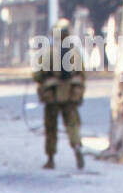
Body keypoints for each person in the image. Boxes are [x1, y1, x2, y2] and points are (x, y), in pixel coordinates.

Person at [32, 18, 86, 170]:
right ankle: (76, 147)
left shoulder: (47, 53)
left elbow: (38, 76)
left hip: (52, 97)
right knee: (72, 125)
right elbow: (82, 75)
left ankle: (50, 159)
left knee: (51, 128)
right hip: (70, 95)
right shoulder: (75, 53)